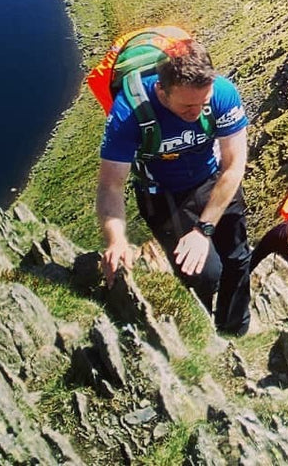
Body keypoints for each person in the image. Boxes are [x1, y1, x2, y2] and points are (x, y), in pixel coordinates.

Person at [96, 37, 252, 336]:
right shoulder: (129, 113)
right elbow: (110, 185)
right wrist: (116, 239)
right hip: (163, 193)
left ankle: (234, 330)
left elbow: (233, 166)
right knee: (204, 274)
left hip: (213, 180)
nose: (195, 112)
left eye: (202, 104)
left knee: (237, 258)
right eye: (186, 106)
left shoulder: (221, 94)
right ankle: (201, 331)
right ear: (162, 91)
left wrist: (203, 229)